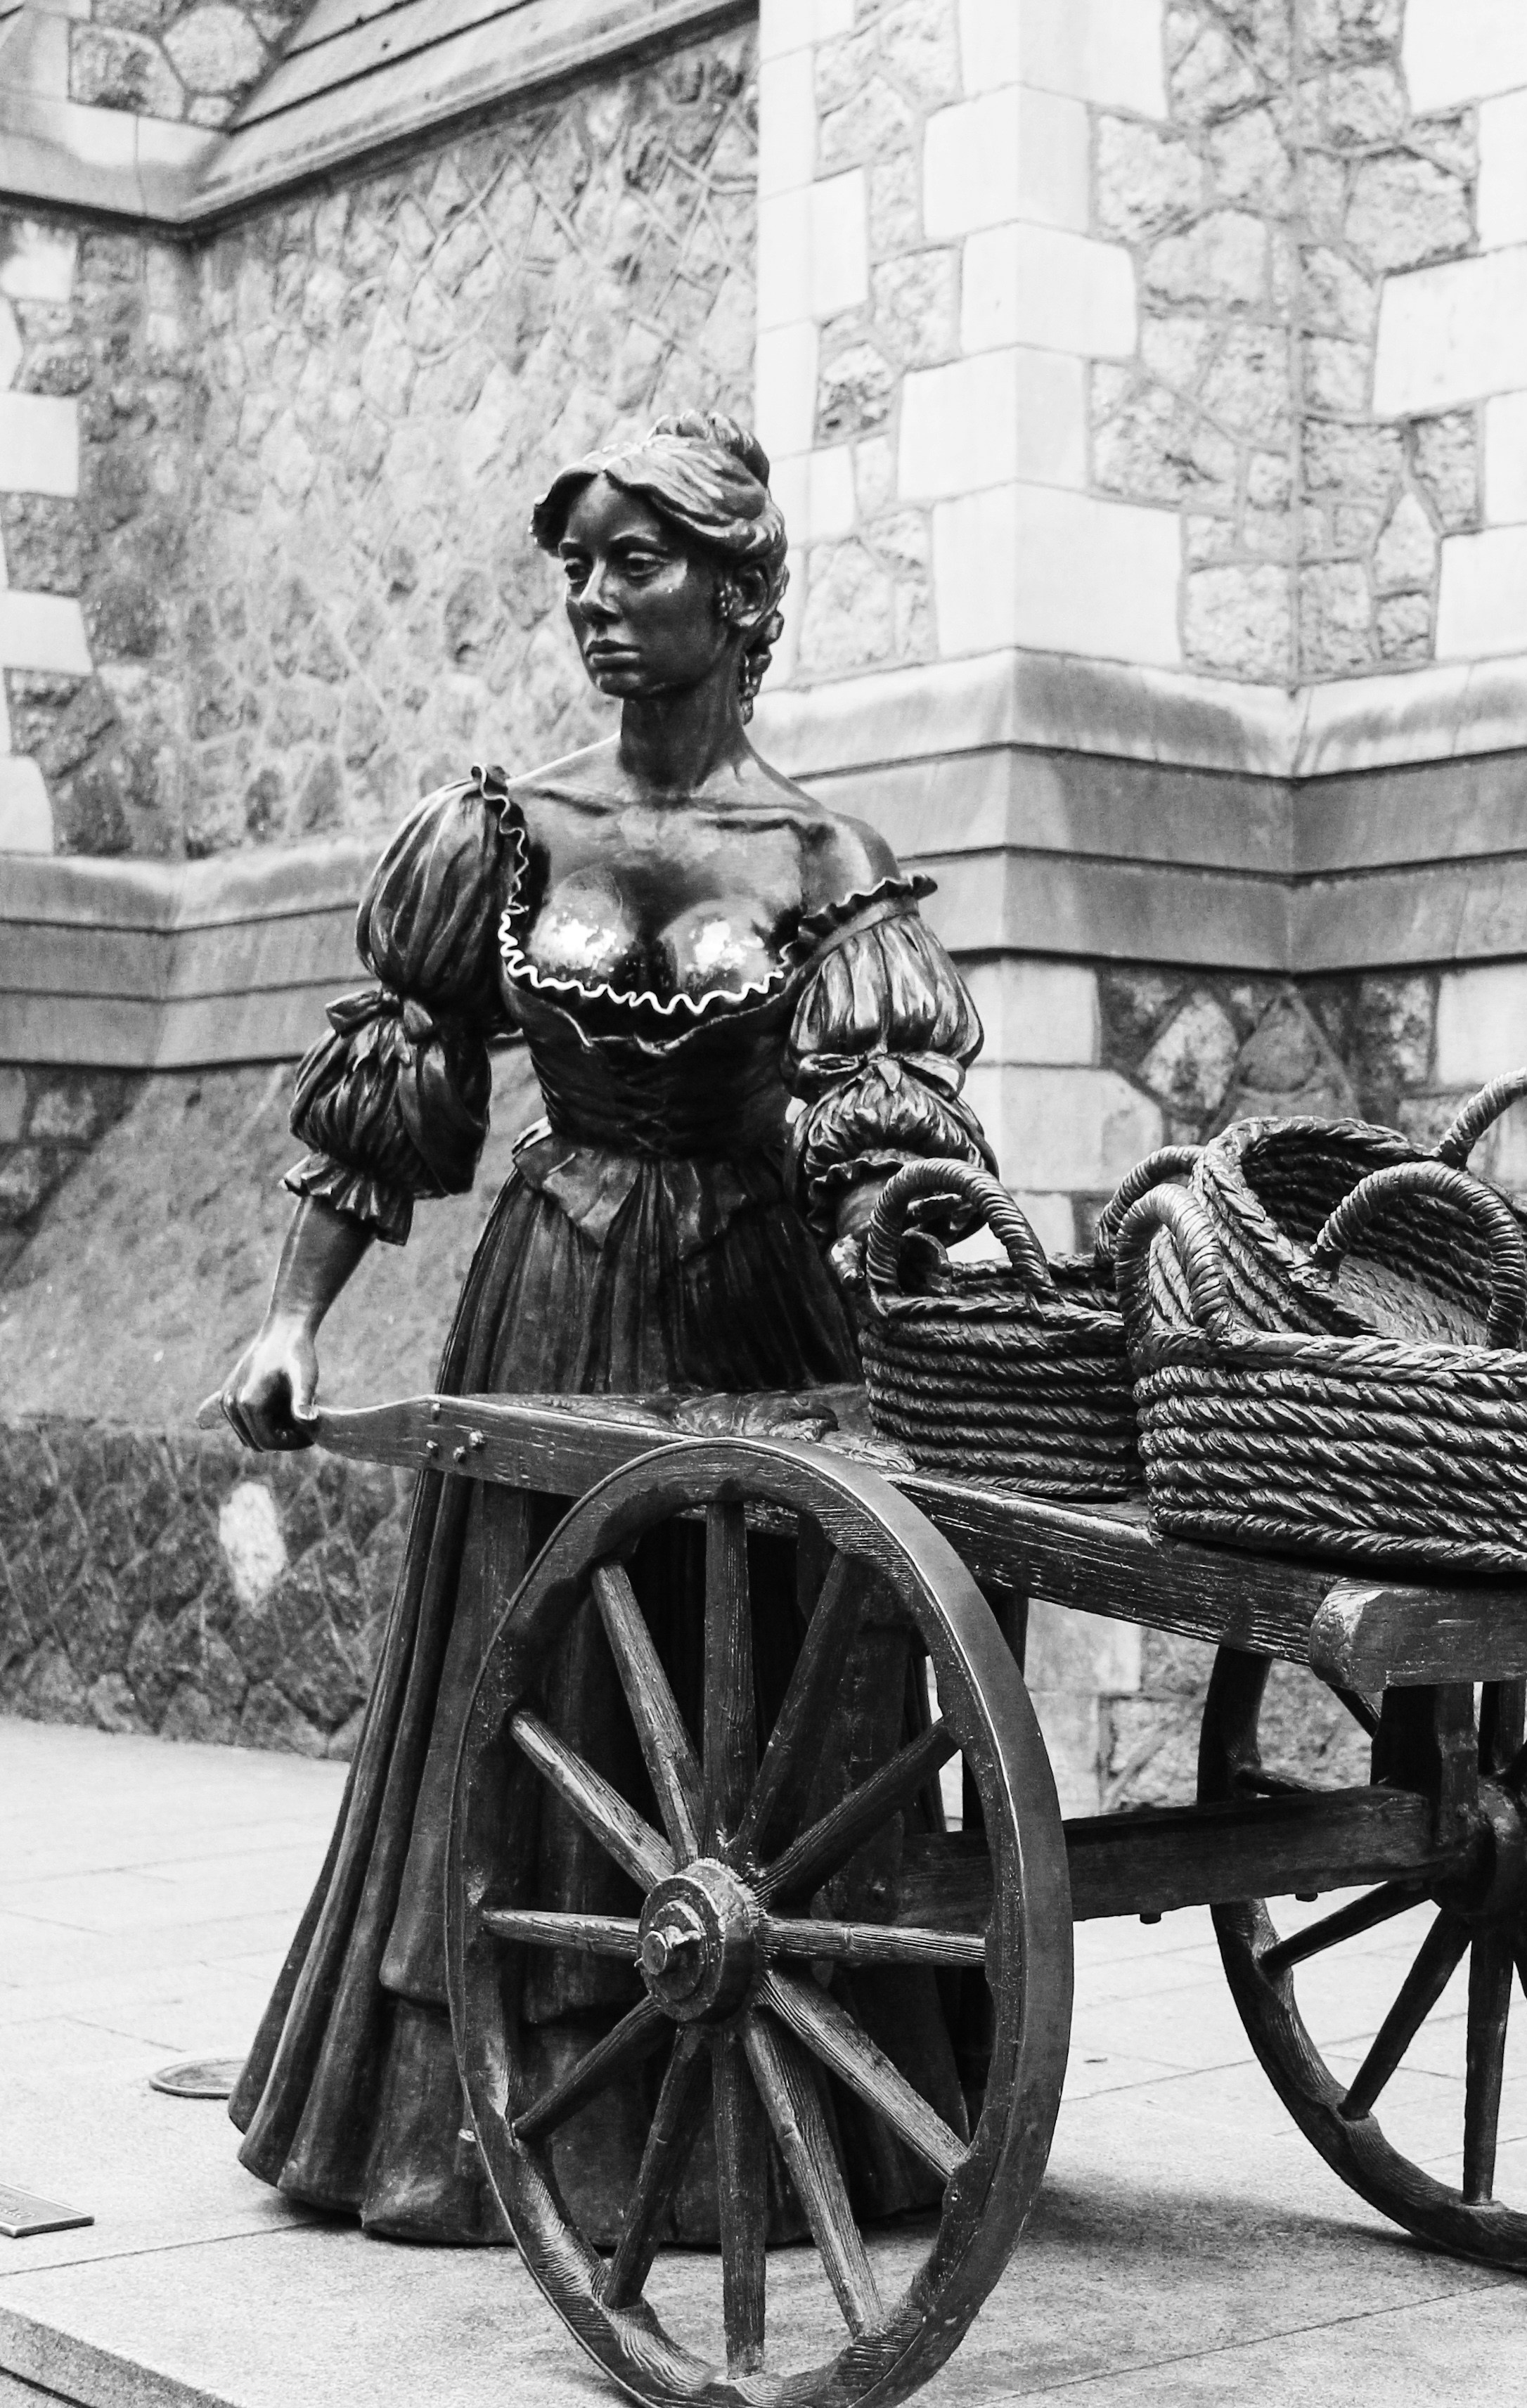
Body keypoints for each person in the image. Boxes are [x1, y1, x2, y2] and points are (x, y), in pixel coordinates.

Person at [215, 411, 993, 2242]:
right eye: (578, 565)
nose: (595, 598)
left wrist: (930, 1251)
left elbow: (886, 1138)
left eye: (636, 562)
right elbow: (391, 1090)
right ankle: (483, 2118)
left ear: (739, 595)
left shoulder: (820, 855)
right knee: (530, 1684)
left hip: (761, 1319)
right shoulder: (505, 832)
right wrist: (289, 1325)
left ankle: (777, 2105)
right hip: (553, 1298)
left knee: (757, 1706)